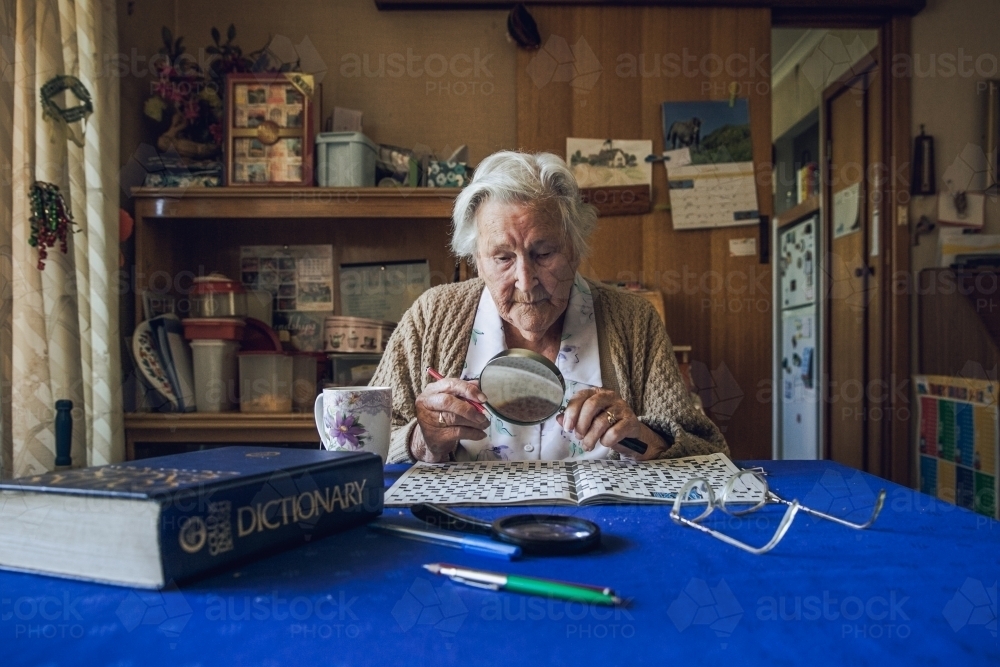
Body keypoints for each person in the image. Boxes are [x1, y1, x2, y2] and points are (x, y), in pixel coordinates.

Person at [371, 151, 728, 463]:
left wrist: (643, 437)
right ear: (476, 261)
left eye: (543, 254)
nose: (526, 281)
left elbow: (709, 454)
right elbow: (359, 444)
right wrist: (421, 441)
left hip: (602, 518)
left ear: (575, 249)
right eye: (502, 258)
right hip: (463, 518)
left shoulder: (634, 321)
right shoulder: (431, 316)